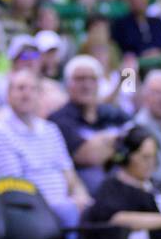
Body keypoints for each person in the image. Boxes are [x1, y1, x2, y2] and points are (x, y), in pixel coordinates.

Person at [0, 69, 92, 234]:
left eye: (33, 89)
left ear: (40, 96)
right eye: (20, 88)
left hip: (61, 204)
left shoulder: (50, 129)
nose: (27, 94)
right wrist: (63, 203)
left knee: (96, 210)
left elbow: (69, 173)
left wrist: (81, 196)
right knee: (69, 211)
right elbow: (13, 188)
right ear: (8, 95)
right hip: (25, 209)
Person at [50, 55, 129, 194]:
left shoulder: (112, 113)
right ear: (68, 84)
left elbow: (140, 140)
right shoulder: (59, 119)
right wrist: (119, 141)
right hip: (85, 185)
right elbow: (88, 157)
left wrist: (103, 142)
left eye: (92, 79)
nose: (86, 85)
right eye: (80, 79)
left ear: (99, 84)